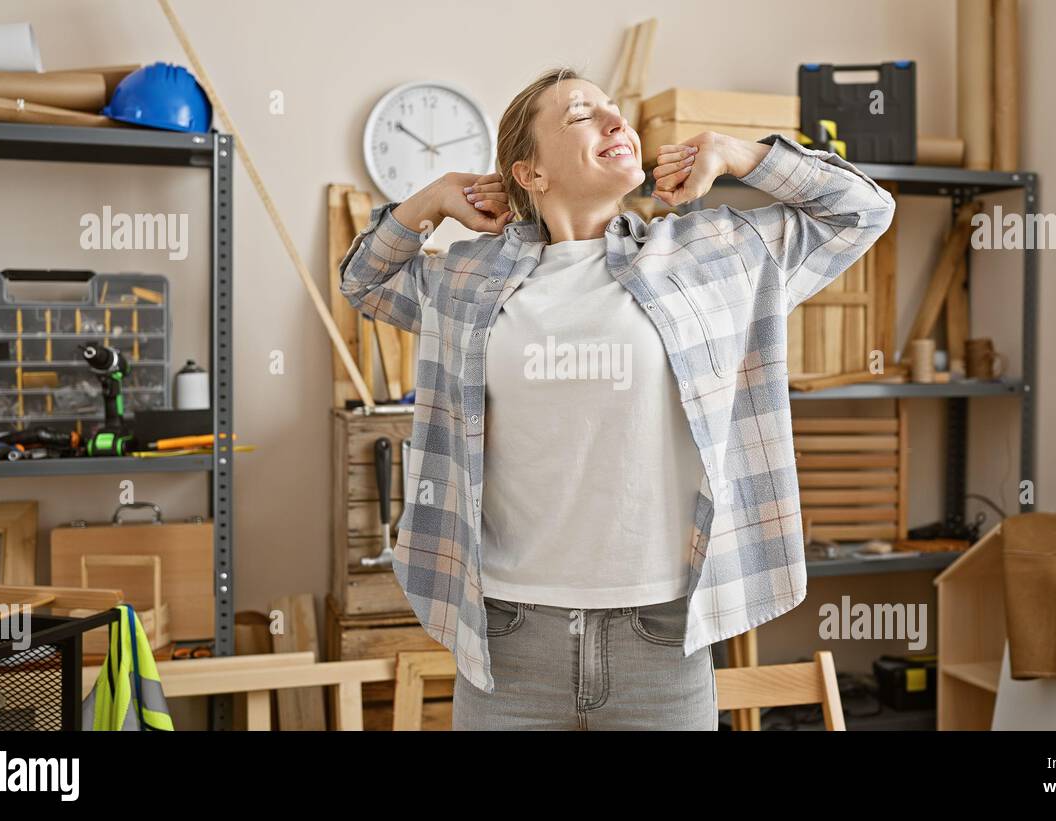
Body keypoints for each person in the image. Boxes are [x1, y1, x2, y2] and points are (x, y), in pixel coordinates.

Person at [339, 66, 896, 730]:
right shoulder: (466, 279)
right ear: (530, 173)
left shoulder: (708, 257)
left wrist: (738, 153)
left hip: (659, 641)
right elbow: (366, 282)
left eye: (614, 109)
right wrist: (429, 198)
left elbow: (864, 210)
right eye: (580, 115)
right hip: (507, 640)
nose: (614, 121)